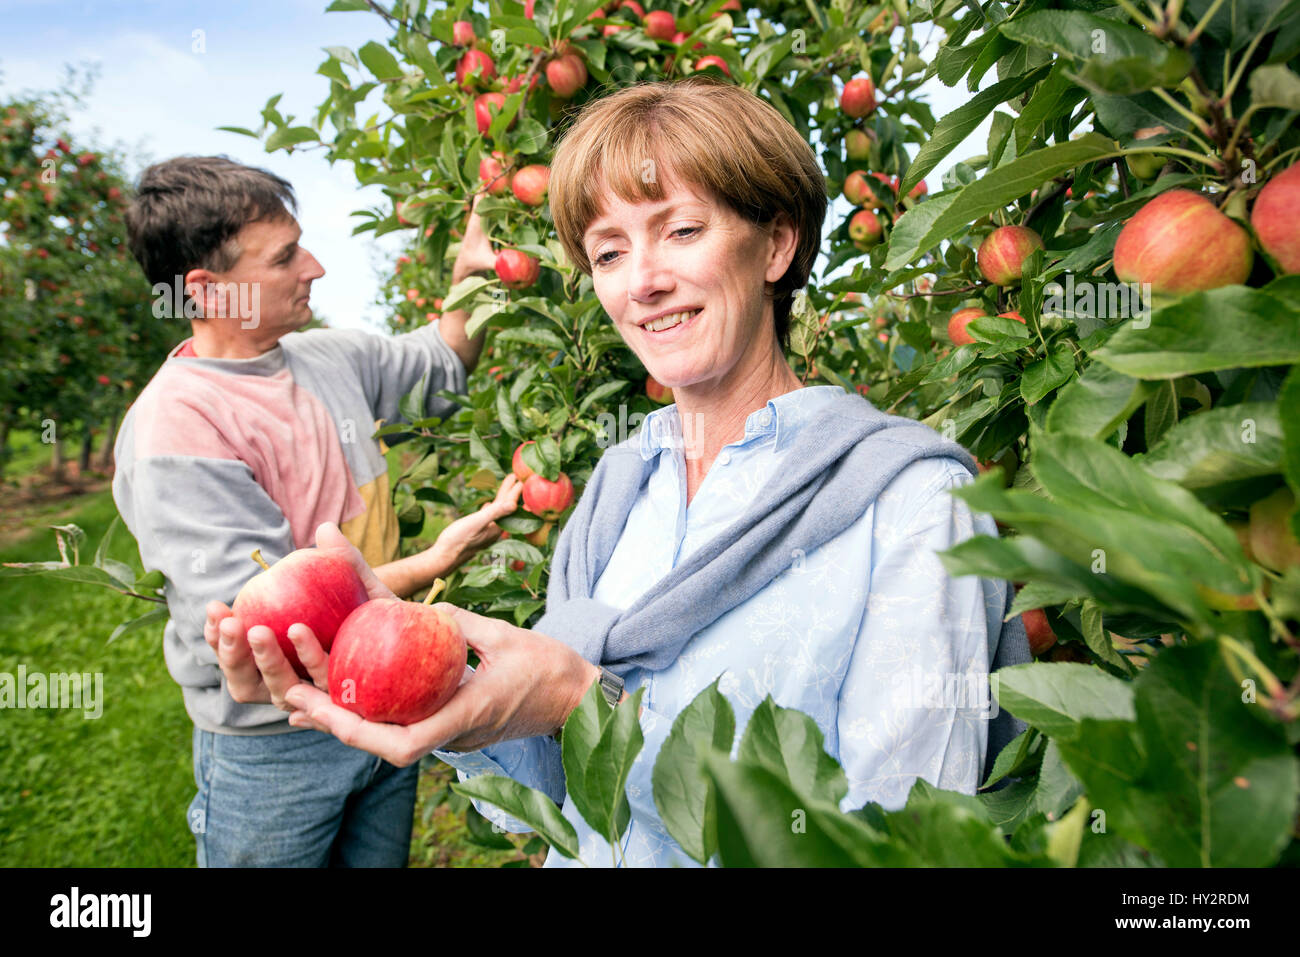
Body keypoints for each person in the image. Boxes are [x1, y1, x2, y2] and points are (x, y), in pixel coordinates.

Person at [210, 77, 1029, 867]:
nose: (642, 281)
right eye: (608, 251)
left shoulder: (915, 503)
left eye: (681, 231)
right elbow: (567, 798)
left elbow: (903, 843)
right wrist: (434, 683)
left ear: (776, 243)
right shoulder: (619, 486)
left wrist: (585, 701)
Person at [113, 156, 520, 866]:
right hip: (279, 747)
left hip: (384, 703)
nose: (316, 267)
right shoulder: (178, 428)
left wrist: (474, 263)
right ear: (211, 293)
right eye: (284, 256)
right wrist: (438, 560)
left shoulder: (328, 357)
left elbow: (442, 360)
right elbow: (282, 626)